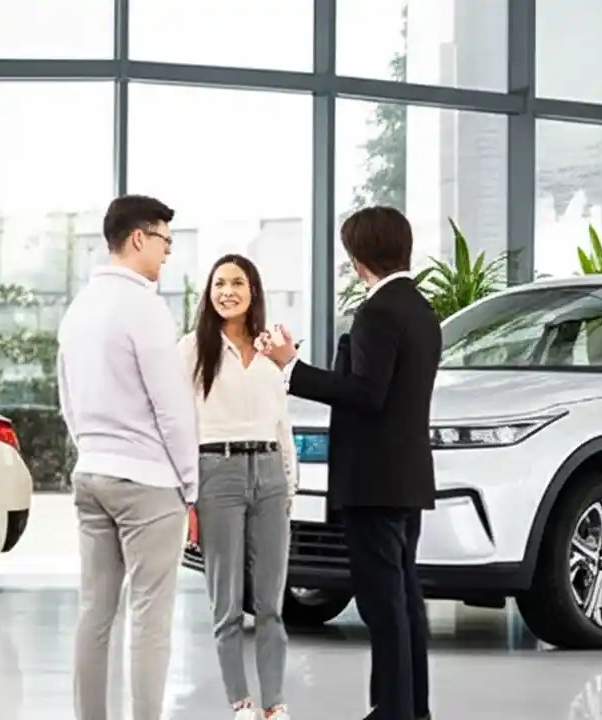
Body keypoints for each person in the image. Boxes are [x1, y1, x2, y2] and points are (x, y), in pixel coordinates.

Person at [261, 206, 441, 720]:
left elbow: (366, 393)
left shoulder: (378, 311)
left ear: (359, 256)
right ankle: (410, 709)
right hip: (406, 479)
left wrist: (291, 367)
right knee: (404, 601)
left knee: (384, 606)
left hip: (374, 482)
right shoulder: (422, 310)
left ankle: (394, 712)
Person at [57, 194, 198, 720]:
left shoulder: (79, 309)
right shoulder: (145, 307)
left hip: (92, 473)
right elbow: (172, 408)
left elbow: (67, 400)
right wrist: (190, 484)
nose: (167, 253)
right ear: (138, 238)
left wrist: (92, 450)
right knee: (150, 618)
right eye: (164, 241)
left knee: (94, 612)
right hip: (147, 482)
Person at [179, 254, 297, 720]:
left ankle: (275, 704)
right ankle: (241, 703)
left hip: (269, 475)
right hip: (217, 472)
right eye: (220, 284)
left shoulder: (271, 350)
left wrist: (289, 485)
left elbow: (283, 423)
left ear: (253, 292)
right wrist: (188, 493)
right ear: (209, 293)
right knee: (226, 603)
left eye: (238, 283)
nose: (228, 291)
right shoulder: (192, 349)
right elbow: (177, 423)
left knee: (271, 603)